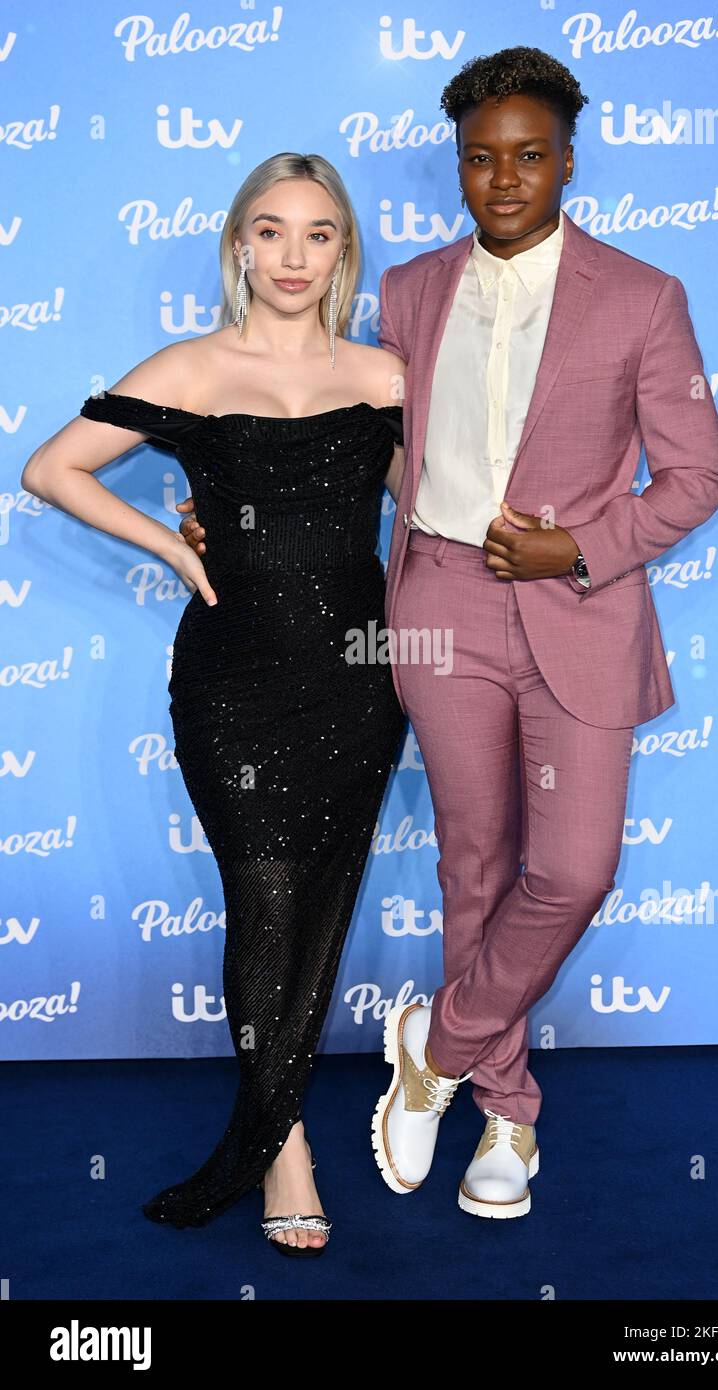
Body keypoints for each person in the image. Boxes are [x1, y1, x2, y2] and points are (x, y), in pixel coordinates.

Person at [178, 47, 718, 1223]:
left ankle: (437, 1042)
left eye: (530, 155)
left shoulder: (643, 296)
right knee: (474, 865)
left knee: (573, 870)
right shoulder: (412, 291)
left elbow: (699, 478)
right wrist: (231, 501)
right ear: (460, 168)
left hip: (579, 606)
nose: (506, 178)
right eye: (482, 158)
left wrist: (575, 547)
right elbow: (355, 440)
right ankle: (508, 1115)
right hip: (438, 604)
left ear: (569, 161)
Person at [20, 153, 408, 1255]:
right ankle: (284, 1147)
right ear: (240, 243)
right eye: (271, 230)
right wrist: (171, 544)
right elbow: (51, 469)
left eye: (319, 234)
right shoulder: (190, 367)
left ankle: (273, 1127)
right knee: (265, 901)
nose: (293, 256)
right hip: (232, 685)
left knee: (322, 903)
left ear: (343, 251)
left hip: (358, 677)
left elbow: (432, 510)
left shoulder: (385, 377)